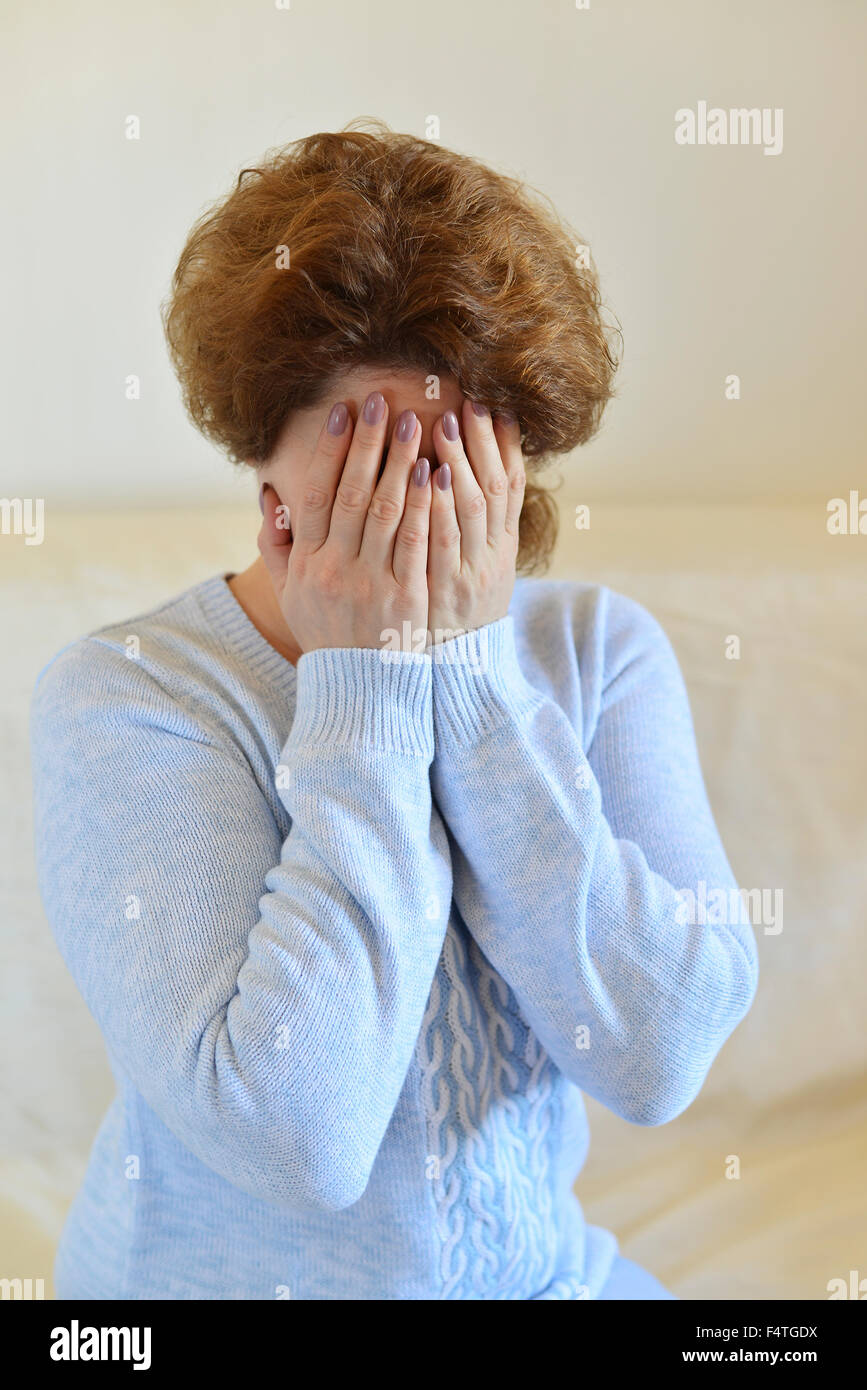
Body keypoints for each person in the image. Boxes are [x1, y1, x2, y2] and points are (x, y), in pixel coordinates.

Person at [30, 122, 757, 1300]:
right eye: (368, 465)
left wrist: (467, 676)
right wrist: (365, 688)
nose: (411, 517)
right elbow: (295, 1136)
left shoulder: (597, 653)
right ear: (269, 486)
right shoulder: (127, 699)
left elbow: (659, 1052)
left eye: (452, 465)